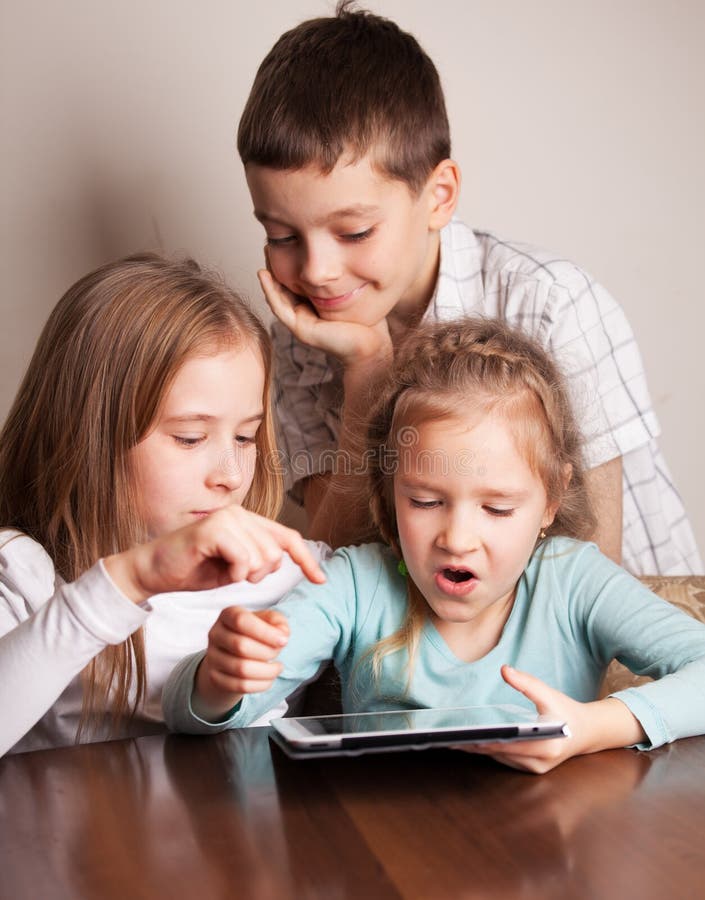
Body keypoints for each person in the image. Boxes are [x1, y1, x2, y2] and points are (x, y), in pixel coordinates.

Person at [236, 1, 701, 575]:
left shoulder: (551, 307)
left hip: (630, 634)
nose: (317, 270)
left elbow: (594, 572)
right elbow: (330, 565)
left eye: (353, 231)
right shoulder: (302, 341)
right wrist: (366, 370)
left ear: (439, 196)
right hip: (443, 640)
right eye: (281, 235)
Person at [163, 318, 705, 773]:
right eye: (424, 502)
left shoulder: (573, 580)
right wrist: (219, 679)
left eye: (496, 508)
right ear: (388, 491)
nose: (457, 539)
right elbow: (196, 714)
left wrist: (590, 729)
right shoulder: (357, 584)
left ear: (551, 500)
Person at [0, 253, 327, 757]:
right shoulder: (23, 572)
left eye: (246, 437)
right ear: (90, 434)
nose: (232, 476)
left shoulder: (287, 573)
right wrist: (134, 578)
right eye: (190, 438)